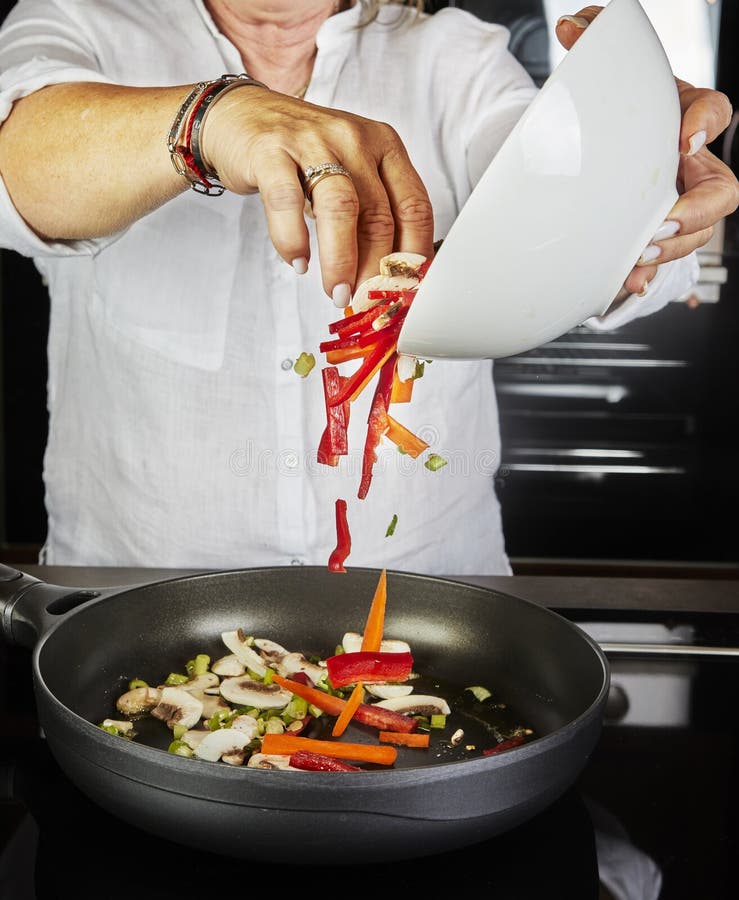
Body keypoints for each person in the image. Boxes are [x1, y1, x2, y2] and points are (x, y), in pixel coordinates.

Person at [0, 1, 736, 574]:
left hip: (430, 594)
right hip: (139, 593)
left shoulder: (453, 55)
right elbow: (20, 170)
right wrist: (212, 117)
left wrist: (634, 154)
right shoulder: (78, 25)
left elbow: (573, 217)